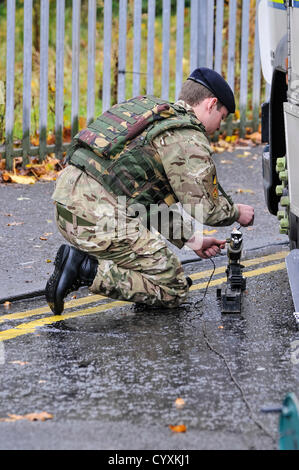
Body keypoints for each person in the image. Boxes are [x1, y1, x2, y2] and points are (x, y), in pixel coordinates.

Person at [45, 67, 254, 315]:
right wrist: (235, 212)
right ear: (211, 104)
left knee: (158, 264)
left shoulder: (152, 113)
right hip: (97, 219)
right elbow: (207, 208)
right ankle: (84, 269)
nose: (220, 126)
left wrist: (193, 239)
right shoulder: (187, 137)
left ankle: (132, 276)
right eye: (223, 116)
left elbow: (138, 197)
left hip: (67, 206)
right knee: (174, 288)